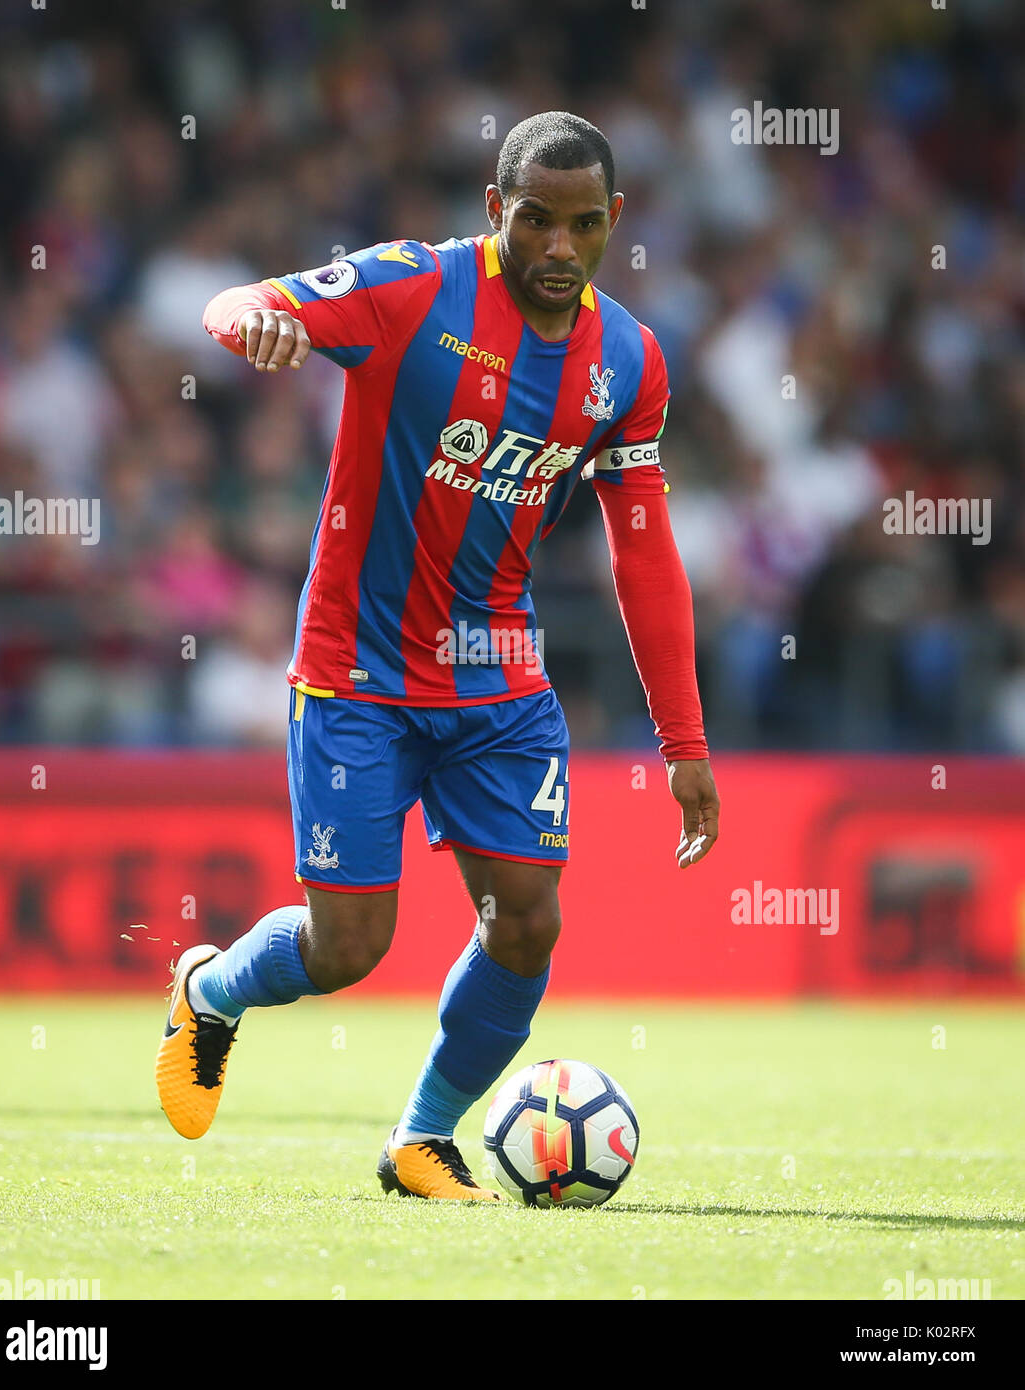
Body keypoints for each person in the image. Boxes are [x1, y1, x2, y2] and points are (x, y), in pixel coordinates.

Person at [156, 111, 719, 1201]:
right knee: (347, 947)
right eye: (535, 221)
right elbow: (245, 298)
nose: (559, 247)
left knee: (528, 919)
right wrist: (256, 322)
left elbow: (643, 555)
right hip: (356, 673)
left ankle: (422, 1137)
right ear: (491, 209)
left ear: (615, 222)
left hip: (498, 676)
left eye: (583, 225)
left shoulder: (630, 364)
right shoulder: (412, 289)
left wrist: (683, 739)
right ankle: (213, 990)